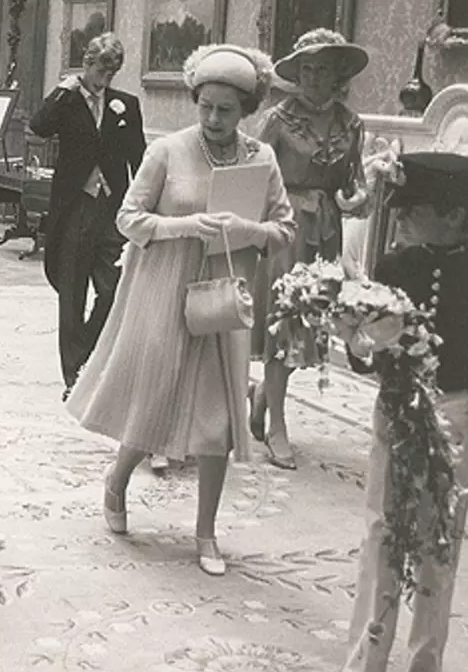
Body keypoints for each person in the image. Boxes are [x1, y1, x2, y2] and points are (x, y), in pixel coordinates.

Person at [66, 44, 295, 575]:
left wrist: (248, 231)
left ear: (248, 110)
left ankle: (206, 533)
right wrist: (187, 227)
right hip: (164, 288)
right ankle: (118, 477)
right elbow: (128, 218)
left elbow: (284, 231)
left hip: (223, 295)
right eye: (205, 107)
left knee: (216, 418)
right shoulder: (168, 150)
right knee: (155, 399)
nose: (213, 119)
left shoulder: (261, 158)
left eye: (226, 110)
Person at [318, 152, 468, 672]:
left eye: (413, 209)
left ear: (455, 214)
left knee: (440, 543)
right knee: (380, 534)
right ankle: (360, 669)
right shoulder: (393, 266)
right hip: (395, 412)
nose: (402, 217)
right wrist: (358, 341)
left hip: (456, 414)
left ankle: (424, 670)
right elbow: (367, 356)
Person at [250, 29, 369, 469]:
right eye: (307, 69)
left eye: (323, 69)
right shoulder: (279, 119)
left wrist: (368, 192)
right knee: (282, 326)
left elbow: (353, 189)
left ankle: (265, 393)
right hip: (285, 228)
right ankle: (278, 426)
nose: (315, 78)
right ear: (297, 74)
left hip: (326, 232)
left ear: (339, 73)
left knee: (310, 327)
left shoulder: (352, 124)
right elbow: (255, 171)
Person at [28, 32, 147, 400]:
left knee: (112, 289)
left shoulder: (126, 104)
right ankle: (73, 377)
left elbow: (139, 158)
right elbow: (39, 126)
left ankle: (86, 352)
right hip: (76, 206)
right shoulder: (66, 101)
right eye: (100, 71)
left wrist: (142, 203)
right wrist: (64, 90)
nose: (105, 80)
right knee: (72, 294)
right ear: (87, 64)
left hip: (112, 208)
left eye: (112, 74)